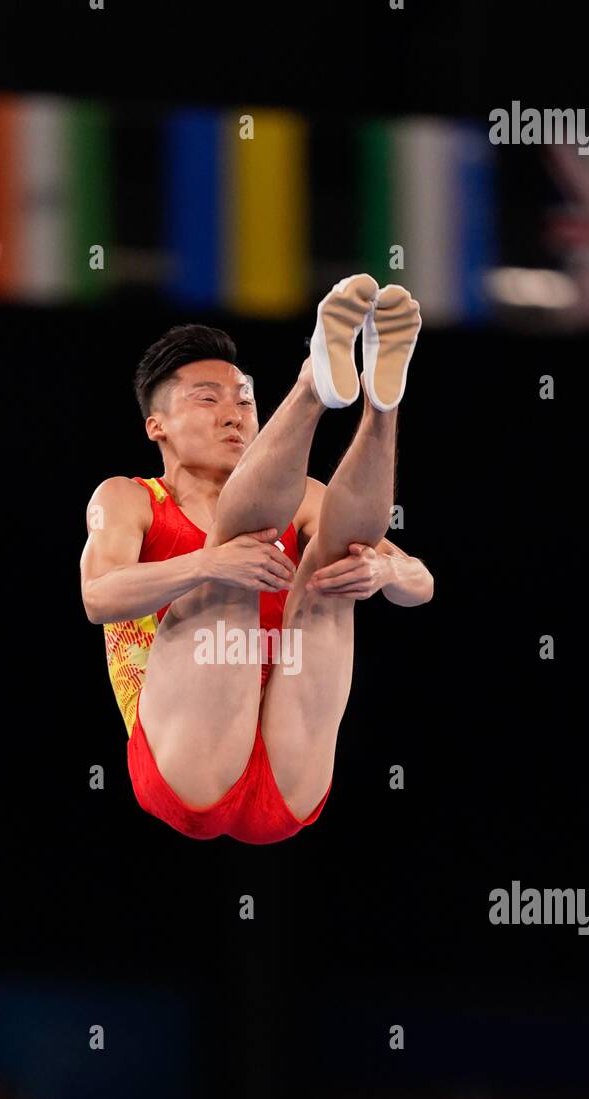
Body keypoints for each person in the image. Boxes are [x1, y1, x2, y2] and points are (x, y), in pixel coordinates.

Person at [80, 274, 433, 844]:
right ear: (157, 425)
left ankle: (382, 404)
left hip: (290, 777)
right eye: (208, 399)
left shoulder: (310, 499)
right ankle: (313, 385)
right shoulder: (128, 497)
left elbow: (422, 583)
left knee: (334, 569)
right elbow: (97, 598)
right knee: (236, 550)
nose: (234, 414)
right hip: (185, 767)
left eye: (244, 399)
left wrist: (385, 568)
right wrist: (206, 564)